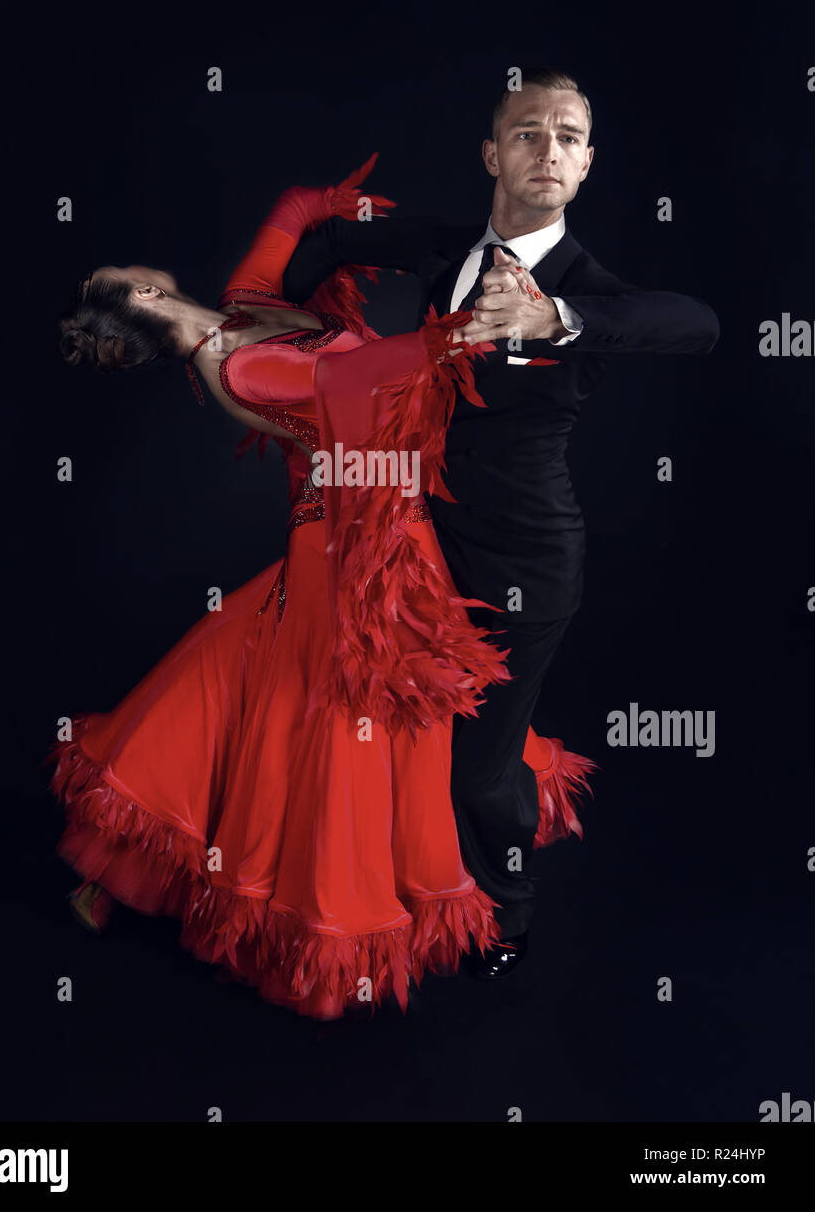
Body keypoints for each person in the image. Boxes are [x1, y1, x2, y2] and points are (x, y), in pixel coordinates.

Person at [47, 157, 596, 1020]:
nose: (114, 267)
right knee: (357, 720)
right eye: (109, 279)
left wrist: (396, 222)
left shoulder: (243, 305)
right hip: (354, 543)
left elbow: (300, 205)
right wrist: (471, 328)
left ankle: (124, 877)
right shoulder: (235, 362)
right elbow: (359, 379)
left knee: (241, 690)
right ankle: (354, 909)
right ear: (143, 301)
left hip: (362, 516)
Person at [281, 71, 721, 979]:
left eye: (567, 136)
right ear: (494, 153)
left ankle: (507, 911)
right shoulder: (448, 251)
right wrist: (285, 314)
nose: (548, 149)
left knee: (482, 766)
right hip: (414, 553)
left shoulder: (585, 288)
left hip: (526, 560)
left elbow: (697, 324)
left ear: (587, 164)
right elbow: (328, 241)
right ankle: (398, 887)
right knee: (395, 732)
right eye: (528, 133)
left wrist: (554, 316)